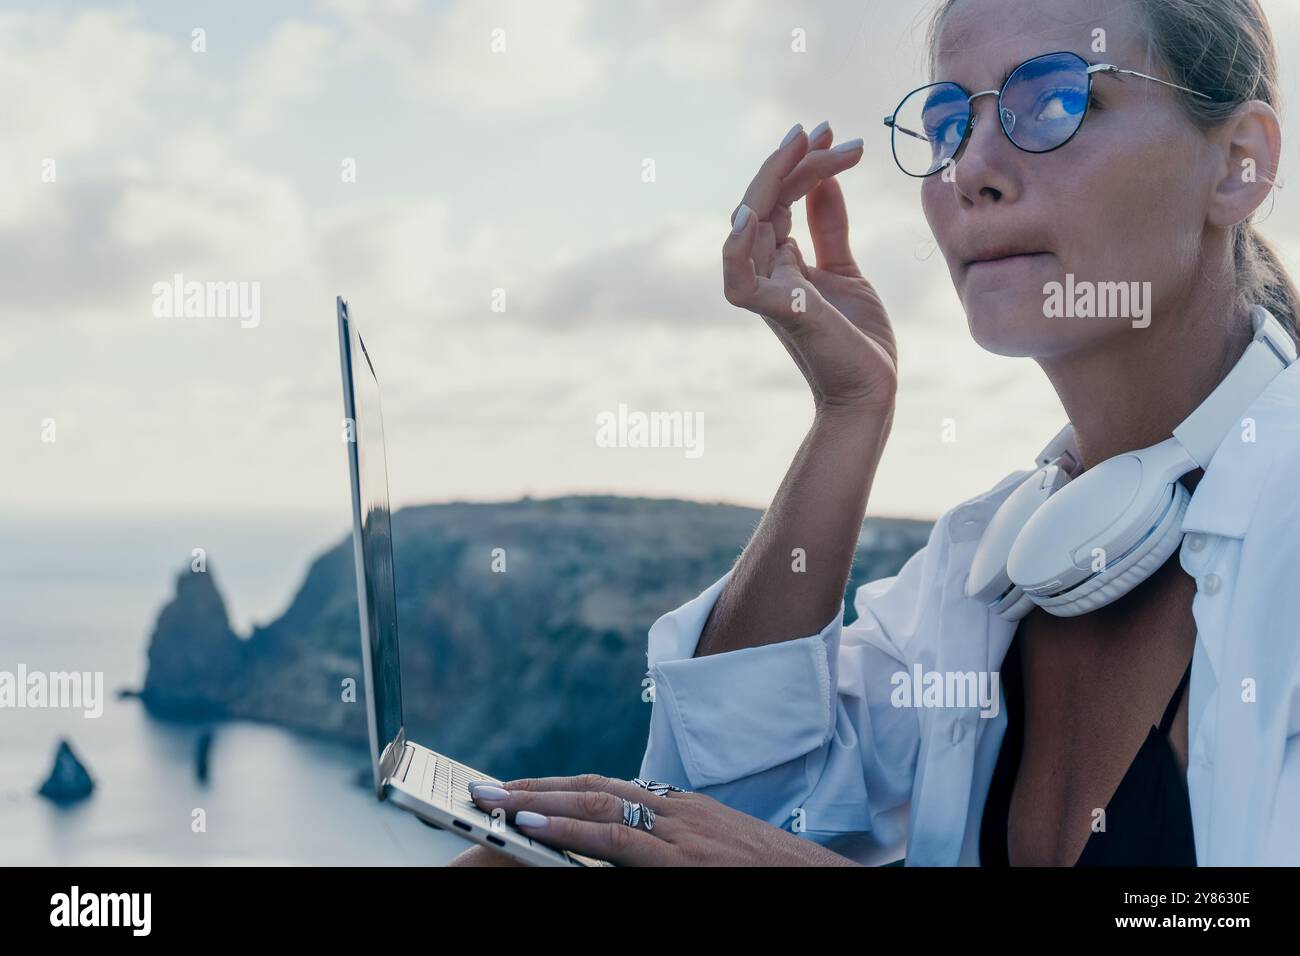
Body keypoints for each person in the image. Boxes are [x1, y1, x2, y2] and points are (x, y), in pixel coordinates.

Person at [451, 0, 1300, 866]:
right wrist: (850, 411)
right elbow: (730, 802)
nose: (970, 168)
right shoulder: (988, 576)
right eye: (946, 123)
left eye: (1054, 101)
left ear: (1239, 163)